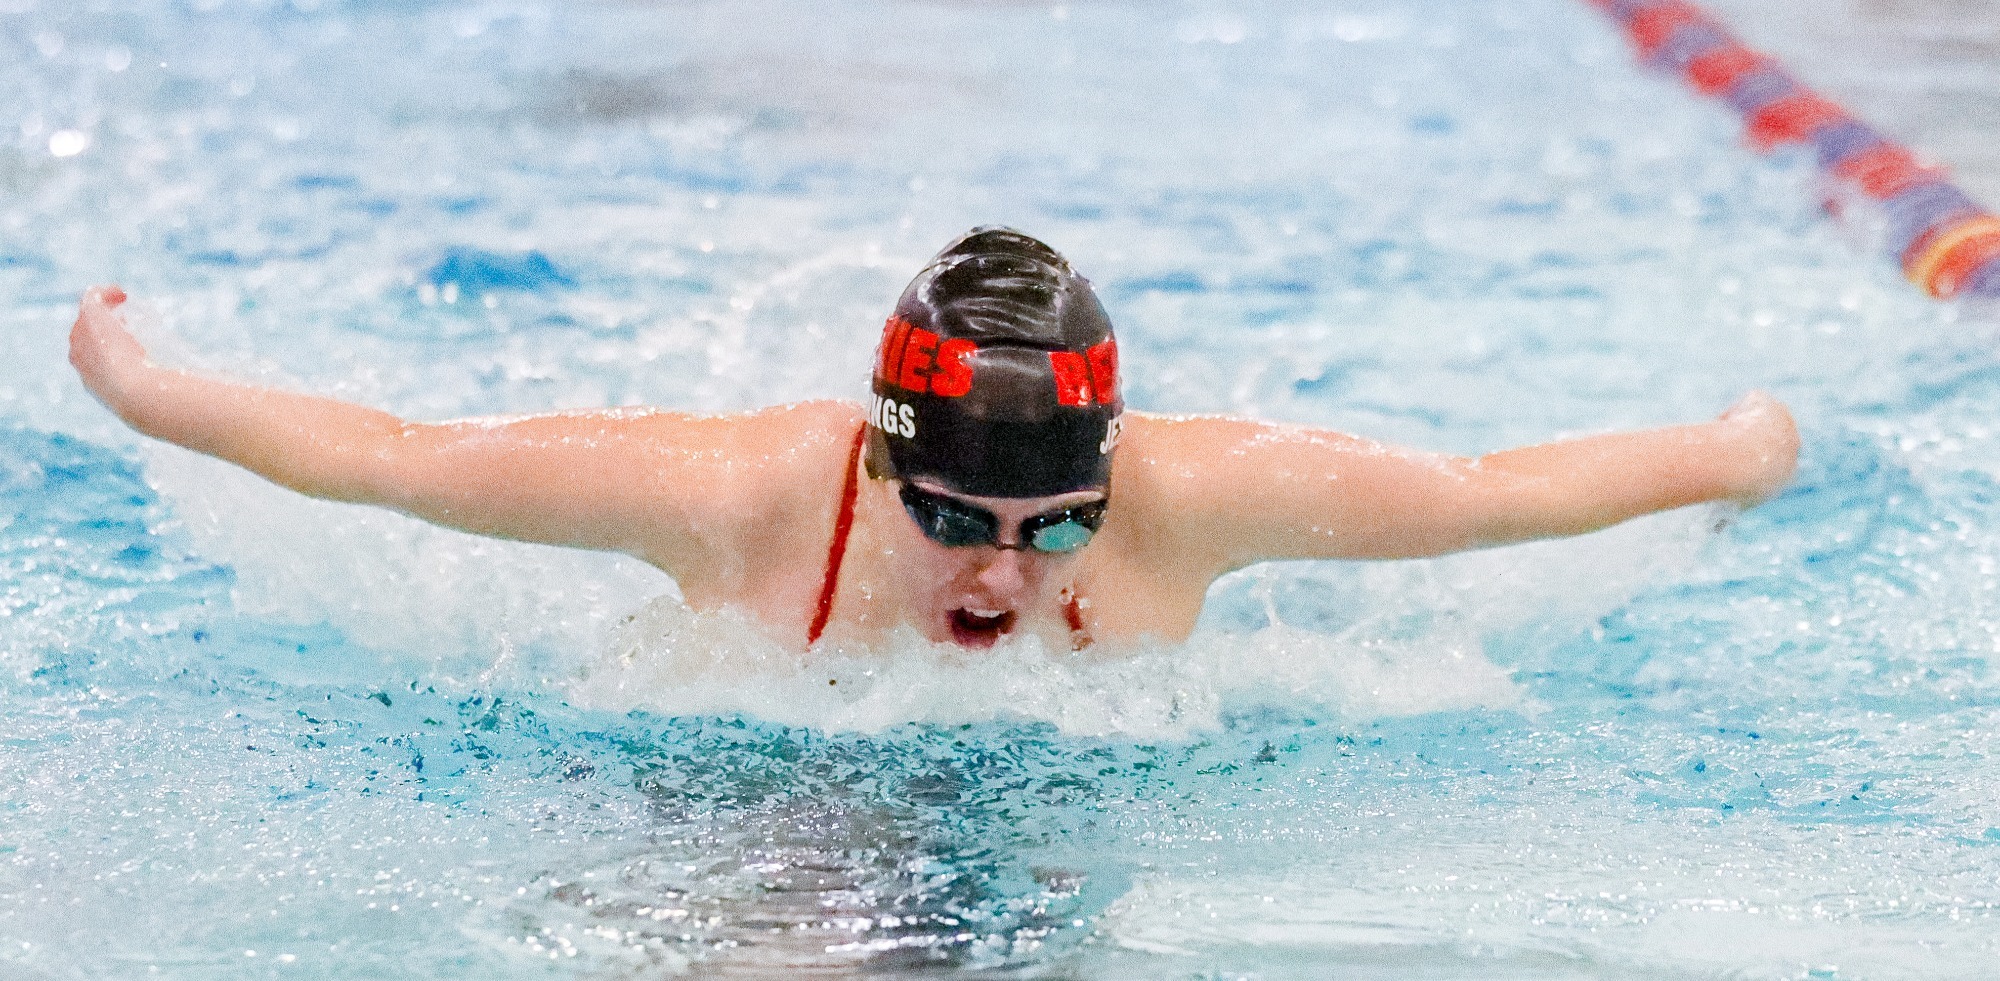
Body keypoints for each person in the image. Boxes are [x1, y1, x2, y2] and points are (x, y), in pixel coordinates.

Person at [68, 228, 1799, 652]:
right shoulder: (742, 500)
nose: (1000, 565)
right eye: (961, 514)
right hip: (747, 777)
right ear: (881, 466)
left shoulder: (1187, 506)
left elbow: (1490, 499)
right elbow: (396, 455)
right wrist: (151, 392)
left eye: (1055, 528)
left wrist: (1737, 452)